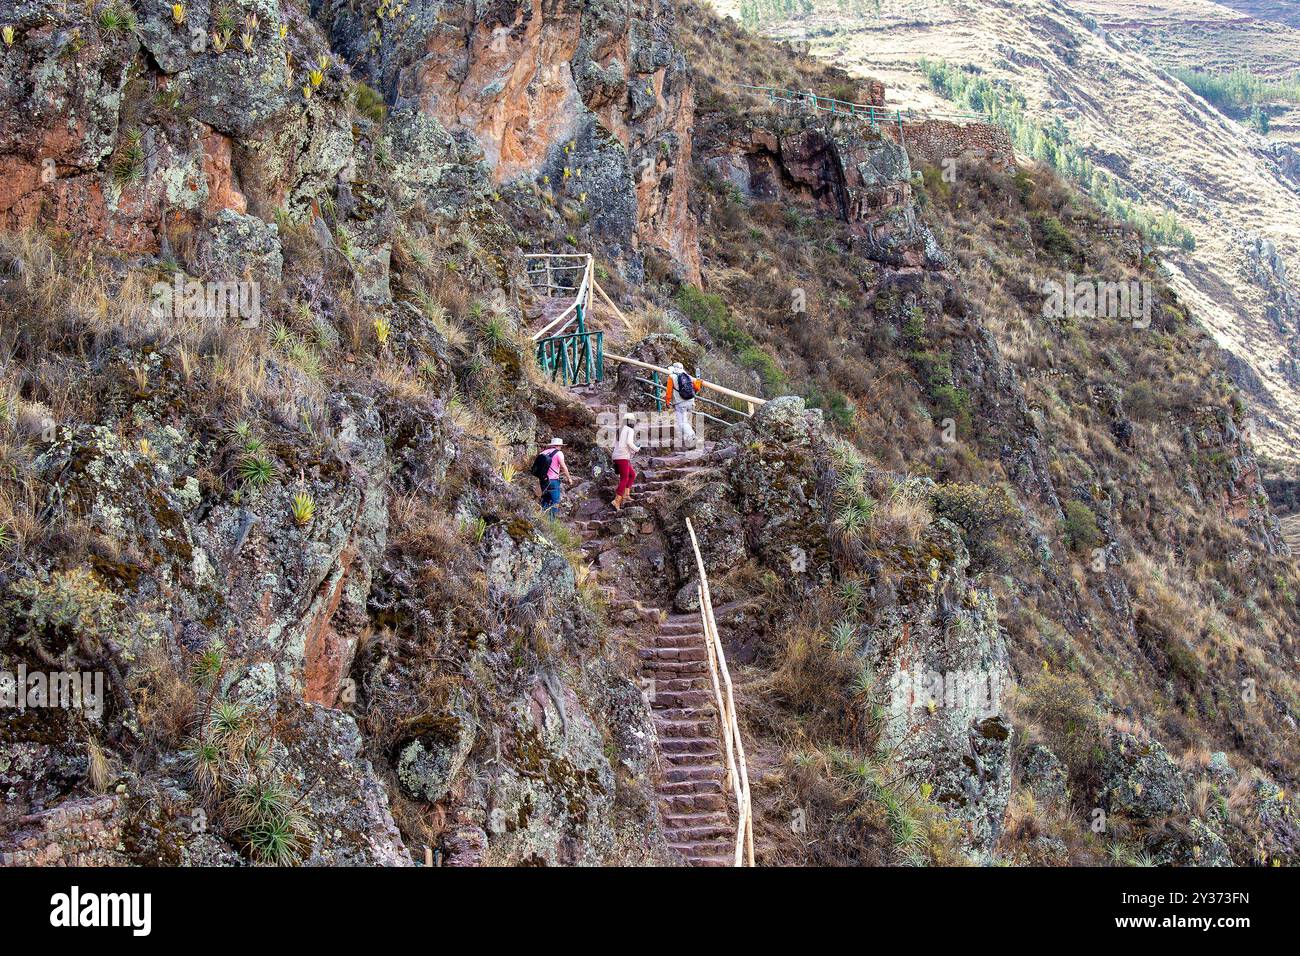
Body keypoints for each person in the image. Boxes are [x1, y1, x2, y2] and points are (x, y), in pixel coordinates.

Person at [664, 363, 704, 448]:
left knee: (682, 423)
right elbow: (697, 388)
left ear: (673, 369)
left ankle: (693, 437)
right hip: (690, 402)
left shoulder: (672, 377)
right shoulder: (688, 376)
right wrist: (699, 381)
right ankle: (689, 441)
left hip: (680, 404)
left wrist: (667, 402)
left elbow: (669, 391)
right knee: (685, 422)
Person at [611, 413, 640, 510]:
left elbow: (615, 444)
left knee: (632, 474)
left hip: (617, 456)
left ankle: (626, 494)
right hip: (623, 457)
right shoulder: (630, 430)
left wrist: (630, 451)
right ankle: (617, 500)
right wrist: (636, 449)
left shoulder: (619, 430)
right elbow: (629, 442)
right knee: (624, 478)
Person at [539, 437, 572, 517]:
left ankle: (543, 520)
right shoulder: (559, 453)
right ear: (558, 446)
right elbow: (563, 467)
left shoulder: (543, 453)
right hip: (553, 481)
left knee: (545, 500)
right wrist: (569, 478)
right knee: (555, 502)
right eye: (560, 446)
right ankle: (551, 522)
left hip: (543, 481)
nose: (561, 447)